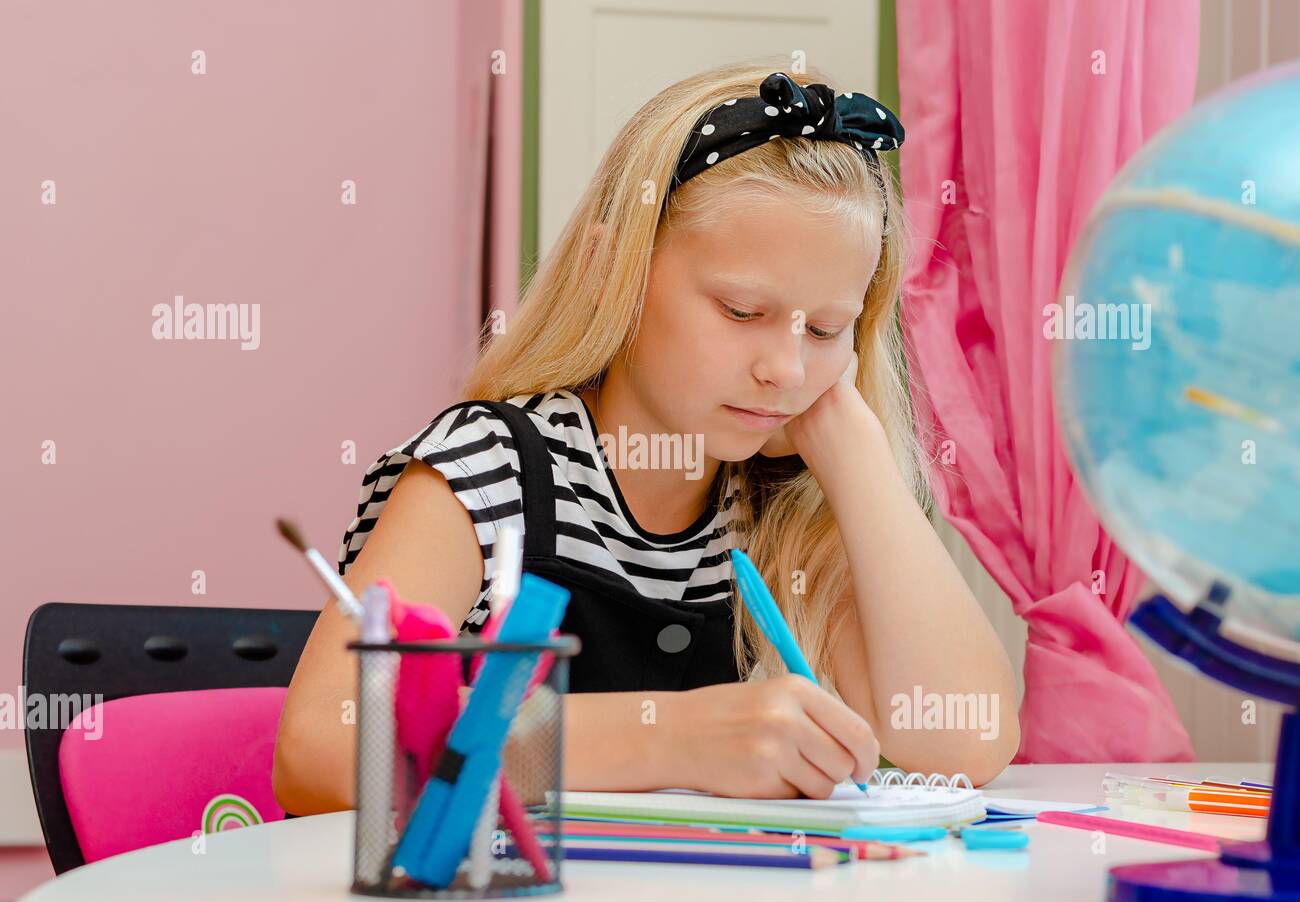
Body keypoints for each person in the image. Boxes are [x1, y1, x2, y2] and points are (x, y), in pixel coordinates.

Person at [274, 61, 1019, 817]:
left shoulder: (781, 508)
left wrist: (855, 448)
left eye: (827, 329)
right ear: (610, 270)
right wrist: (673, 739)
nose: (786, 368)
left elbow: (964, 741)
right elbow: (323, 746)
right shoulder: (486, 470)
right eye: (741, 311)